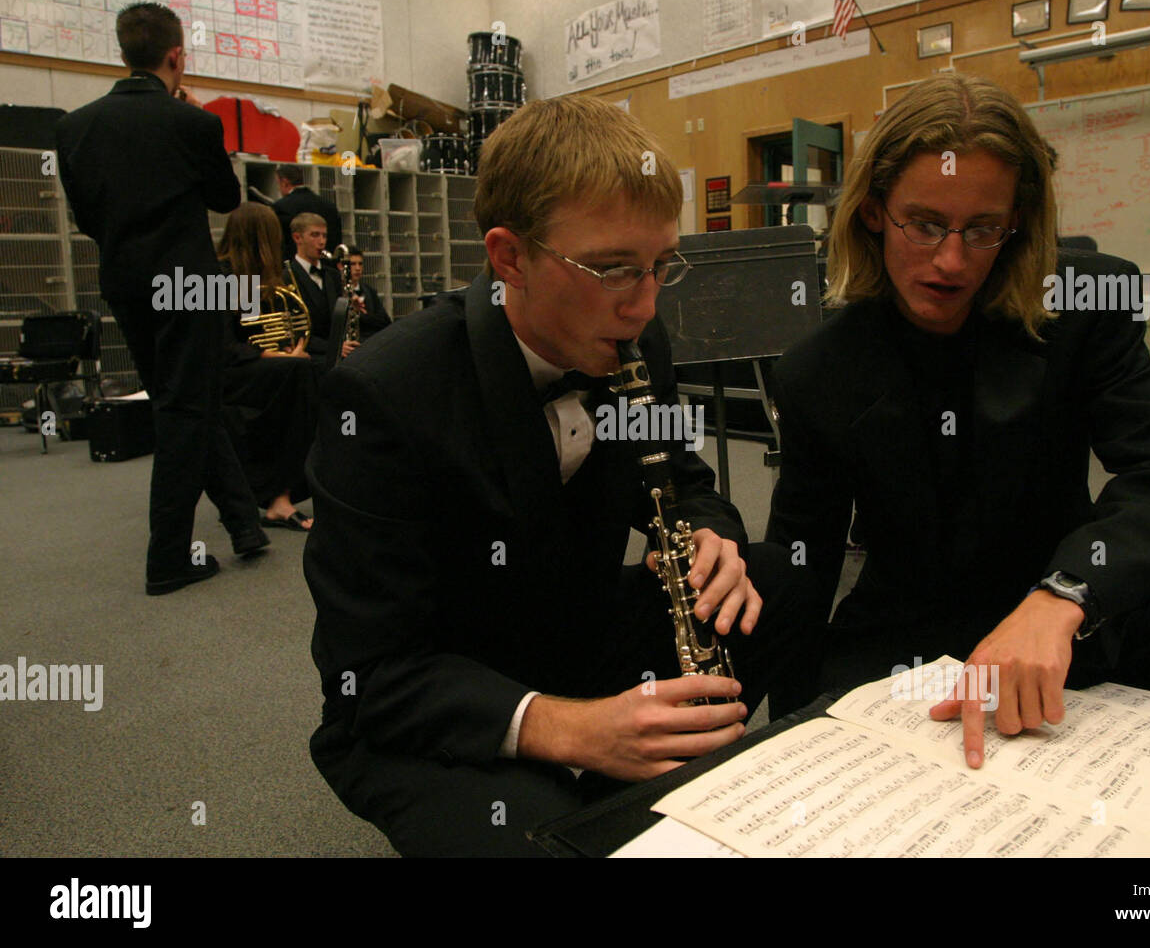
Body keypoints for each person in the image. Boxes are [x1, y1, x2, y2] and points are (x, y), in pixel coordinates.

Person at [304, 96, 820, 856]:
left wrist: (712, 533)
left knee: (774, 582)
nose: (645, 304)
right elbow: (372, 672)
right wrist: (570, 727)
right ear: (509, 256)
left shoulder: (634, 335)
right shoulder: (386, 392)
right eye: (614, 269)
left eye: (659, 266)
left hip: (570, 635)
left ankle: (633, 796)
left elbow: (682, 478)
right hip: (438, 697)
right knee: (532, 830)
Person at [765, 73, 1150, 769]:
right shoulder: (816, 368)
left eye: (984, 228)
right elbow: (802, 565)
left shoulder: (1085, 306)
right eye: (925, 223)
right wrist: (789, 738)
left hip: (1061, 608)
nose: (952, 259)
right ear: (873, 211)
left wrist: (1065, 594)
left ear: (1018, 221)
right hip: (909, 629)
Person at [55, 1, 268, 595]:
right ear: (177, 55)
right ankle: (168, 557)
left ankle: (244, 523)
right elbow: (227, 200)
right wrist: (201, 122)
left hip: (123, 277)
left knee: (186, 398)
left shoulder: (74, 127)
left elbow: (87, 216)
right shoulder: (192, 124)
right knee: (185, 408)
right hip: (190, 281)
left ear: (124, 53)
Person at [217, 202, 320, 532]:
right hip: (229, 372)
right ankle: (279, 497)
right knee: (298, 374)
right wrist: (269, 357)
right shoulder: (221, 276)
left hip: (260, 366)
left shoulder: (257, 277)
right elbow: (223, 345)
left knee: (310, 370)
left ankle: (286, 490)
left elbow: (265, 329)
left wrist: (290, 348)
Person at [283, 213, 343, 370]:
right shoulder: (286, 276)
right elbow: (294, 329)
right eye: (315, 235)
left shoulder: (333, 275)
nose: (322, 242)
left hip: (337, 351)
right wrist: (333, 348)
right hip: (310, 356)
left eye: (324, 236)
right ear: (297, 238)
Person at [272, 163, 342, 261]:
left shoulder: (280, 207)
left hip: (294, 269)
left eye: (278, 184)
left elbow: (279, 245)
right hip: (327, 268)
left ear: (284, 182)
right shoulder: (329, 206)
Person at [336, 245, 391, 342]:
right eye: (353, 264)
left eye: (360, 264)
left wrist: (362, 316)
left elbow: (384, 321)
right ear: (341, 266)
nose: (358, 268)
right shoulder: (336, 292)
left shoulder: (369, 291)